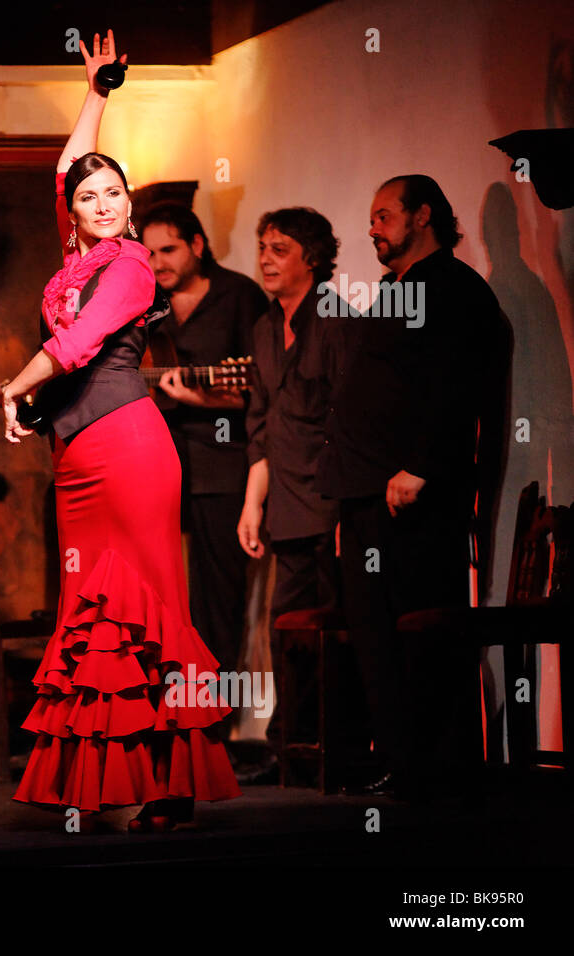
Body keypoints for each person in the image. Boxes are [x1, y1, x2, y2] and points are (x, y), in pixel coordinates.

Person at [4, 30, 240, 831]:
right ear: (73, 213)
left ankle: (174, 782)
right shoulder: (70, 265)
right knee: (92, 617)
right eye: (89, 197)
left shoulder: (132, 265)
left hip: (133, 450)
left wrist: (16, 386)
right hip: (78, 458)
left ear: (130, 204)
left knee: (152, 609)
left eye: (114, 193)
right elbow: (65, 168)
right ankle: (105, 780)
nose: (103, 203)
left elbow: (74, 346)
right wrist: (97, 94)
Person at [317, 174, 503, 798]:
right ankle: (399, 757)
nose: (372, 228)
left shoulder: (452, 288)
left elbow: (455, 385)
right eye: (371, 218)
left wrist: (421, 465)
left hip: (411, 494)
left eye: (383, 215)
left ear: (423, 216)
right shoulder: (395, 290)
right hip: (368, 490)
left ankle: (433, 767)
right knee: (374, 633)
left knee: (419, 631)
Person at [238, 207, 359, 780]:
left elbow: (353, 420)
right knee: (287, 630)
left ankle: (343, 747)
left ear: (311, 257)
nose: (265, 257)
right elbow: (259, 424)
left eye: (279, 248)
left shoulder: (335, 320)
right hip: (286, 506)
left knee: (339, 631)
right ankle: (290, 747)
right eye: (262, 246)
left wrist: (344, 509)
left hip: (332, 506)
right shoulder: (264, 328)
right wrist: (251, 503)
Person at [137, 202, 268, 693]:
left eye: (168, 250)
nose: (157, 263)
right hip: (157, 465)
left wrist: (201, 397)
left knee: (219, 596)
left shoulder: (239, 297)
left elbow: (262, 390)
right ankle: (162, 706)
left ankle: (214, 717)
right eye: (148, 254)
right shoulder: (145, 304)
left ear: (197, 244)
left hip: (220, 465)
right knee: (159, 592)